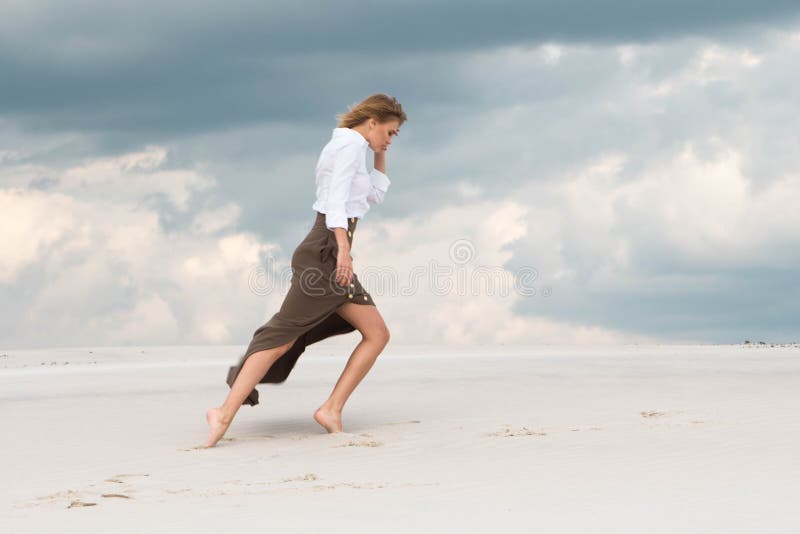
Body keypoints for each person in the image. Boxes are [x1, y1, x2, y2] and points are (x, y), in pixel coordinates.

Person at [204, 93, 407, 448]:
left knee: (377, 333)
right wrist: (343, 249)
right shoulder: (347, 147)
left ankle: (331, 409)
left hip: (328, 250)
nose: (390, 140)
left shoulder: (354, 147)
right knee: (281, 338)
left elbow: (372, 196)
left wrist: (380, 156)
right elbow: (335, 204)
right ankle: (223, 413)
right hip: (325, 251)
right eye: (389, 133)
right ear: (372, 121)